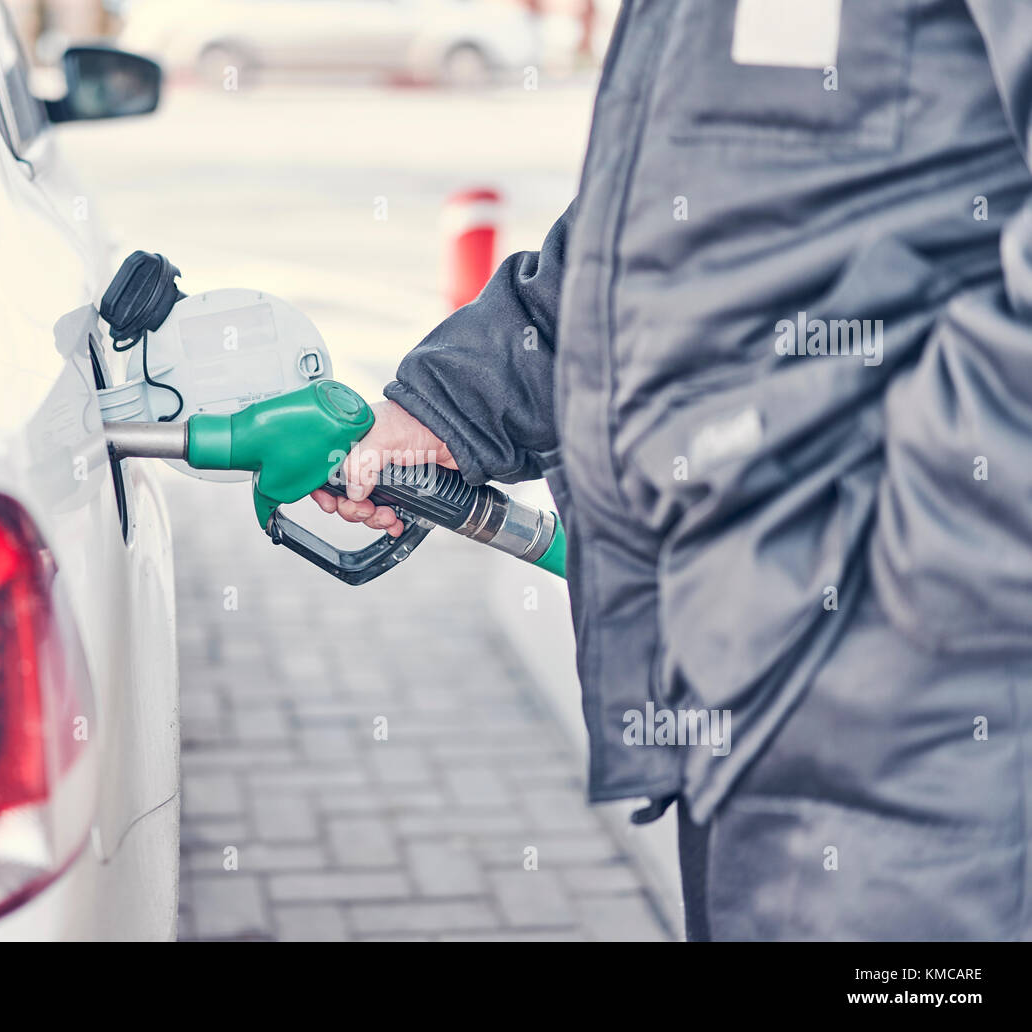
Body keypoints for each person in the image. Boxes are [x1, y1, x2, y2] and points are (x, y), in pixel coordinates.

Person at [312, 0, 1032, 941]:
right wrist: (452, 407)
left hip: (924, 732)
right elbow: (677, 227)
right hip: (766, 693)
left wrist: (879, 568)